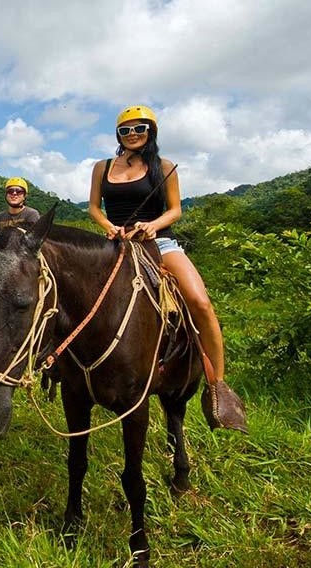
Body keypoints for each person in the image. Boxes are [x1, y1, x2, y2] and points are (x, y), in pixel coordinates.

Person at [88, 104, 247, 432]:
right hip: (116, 245)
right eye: (125, 130)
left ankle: (218, 386)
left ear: (151, 131)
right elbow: (94, 208)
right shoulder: (102, 168)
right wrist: (109, 226)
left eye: (140, 128)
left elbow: (175, 210)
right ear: (117, 135)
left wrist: (153, 225)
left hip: (159, 243)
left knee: (200, 302)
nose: (133, 134)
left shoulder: (164, 166)